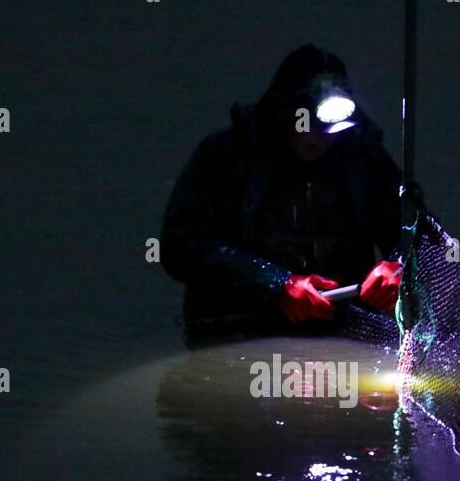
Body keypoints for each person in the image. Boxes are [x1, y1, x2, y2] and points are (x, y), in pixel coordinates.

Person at [160, 45, 404, 339]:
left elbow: (413, 236)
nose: (321, 137)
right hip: (240, 330)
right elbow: (179, 246)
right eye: (309, 123)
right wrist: (277, 284)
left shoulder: (364, 157)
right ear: (283, 110)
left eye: (332, 128)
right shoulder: (225, 156)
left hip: (345, 330)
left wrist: (399, 268)